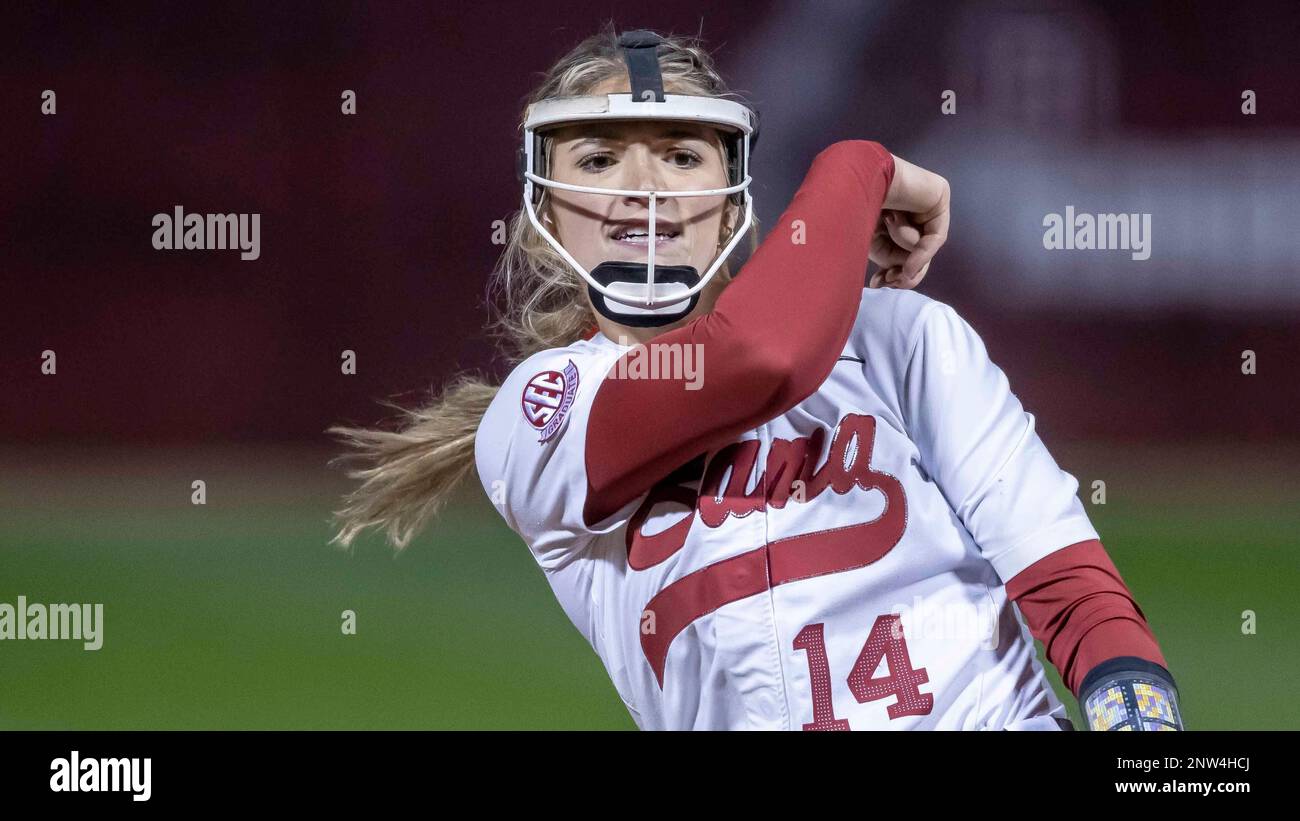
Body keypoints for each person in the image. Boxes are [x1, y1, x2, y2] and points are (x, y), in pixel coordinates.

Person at [330, 26, 1183, 731]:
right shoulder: (538, 415)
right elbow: (761, 358)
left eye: (680, 155)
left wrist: (1149, 738)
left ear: (734, 197)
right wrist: (859, 164)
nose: (644, 191)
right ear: (544, 205)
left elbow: (1065, 582)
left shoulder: (903, 337)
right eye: (597, 160)